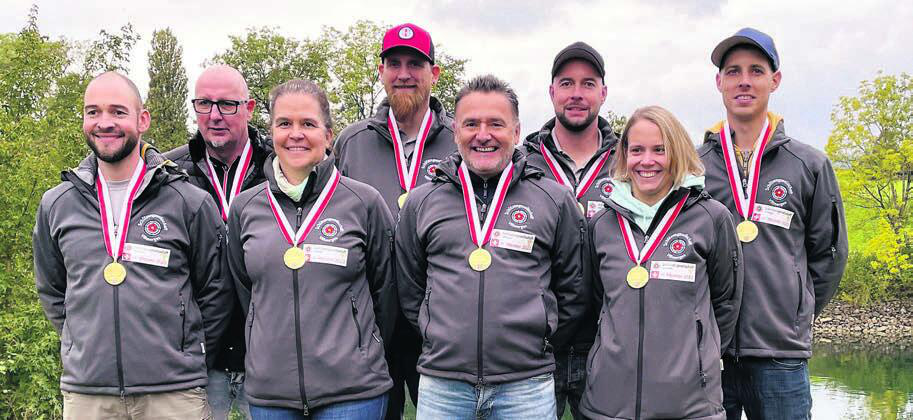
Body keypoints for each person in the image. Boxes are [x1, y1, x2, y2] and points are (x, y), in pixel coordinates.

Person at [34, 71, 232, 419]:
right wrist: (85, 344)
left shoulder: (188, 202)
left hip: (174, 393)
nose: (104, 122)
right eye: (93, 112)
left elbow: (216, 293)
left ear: (142, 120)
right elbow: (53, 291)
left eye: (117, 112)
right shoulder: (58, 204)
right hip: (88, 394)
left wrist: (187, 355)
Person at [396, 75, 587, 419]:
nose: (483, 135)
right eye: (471, 123)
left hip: (526, 385)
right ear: (456, 132)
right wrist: (432, 331)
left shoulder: (554, 199)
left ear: (516, 132)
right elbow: (410, 287)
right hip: (444, 384)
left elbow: (573, 288)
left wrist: (541, 339)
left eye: (495, 124)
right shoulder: (422, 202)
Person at [699, 28, 848, 419]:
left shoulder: (809, 165)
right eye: (733, 71)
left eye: (756, 70)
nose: (743, 80)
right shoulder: (695, 169)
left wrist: (794, 309)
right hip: (708, 352)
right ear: (719, 82)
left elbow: (829, 255)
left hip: (780, 353)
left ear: (774, 80)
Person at [226, 79, 395, 419]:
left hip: (353, 392)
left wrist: (361, 350)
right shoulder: (245, 207)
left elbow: (386, 293)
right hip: (272, 394)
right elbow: (247, 292)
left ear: (329, 135)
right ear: (271, 132)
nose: (296, 133)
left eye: (308, 124)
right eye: (284, 123)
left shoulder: (364, 202)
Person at [579, 105, 742, 420]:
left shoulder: (711, 218)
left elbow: (726, 303)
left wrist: (697, 359)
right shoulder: (602, 224)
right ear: (624, 156)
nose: (647, 160)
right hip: (608, 406)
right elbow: (597, 301)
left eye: (659, 150)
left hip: (689, 406)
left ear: (677, 152)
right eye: (637, 150)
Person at [333, 22, 457, 420]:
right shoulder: (351, 142)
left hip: (438, 322)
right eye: (394, 63)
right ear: (381, 71)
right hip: (369, 321)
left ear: (434, 73)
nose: (404, 73)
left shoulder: (461, 140)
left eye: (415, 64)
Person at [164, 64, 271, 420]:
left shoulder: (279, 167)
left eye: (227, 104)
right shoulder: (169, 173)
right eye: (204, 104)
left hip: (269, 357)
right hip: (197, 359)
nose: (214, 116)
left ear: (249, 107)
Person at [521, 41, 618, 419]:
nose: (577, 94)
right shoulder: (521, 162)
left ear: (603, 93)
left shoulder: (632, 163)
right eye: (566, 83)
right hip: (539, 346)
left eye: (588, 83)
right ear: (551, 92)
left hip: (608, 343)